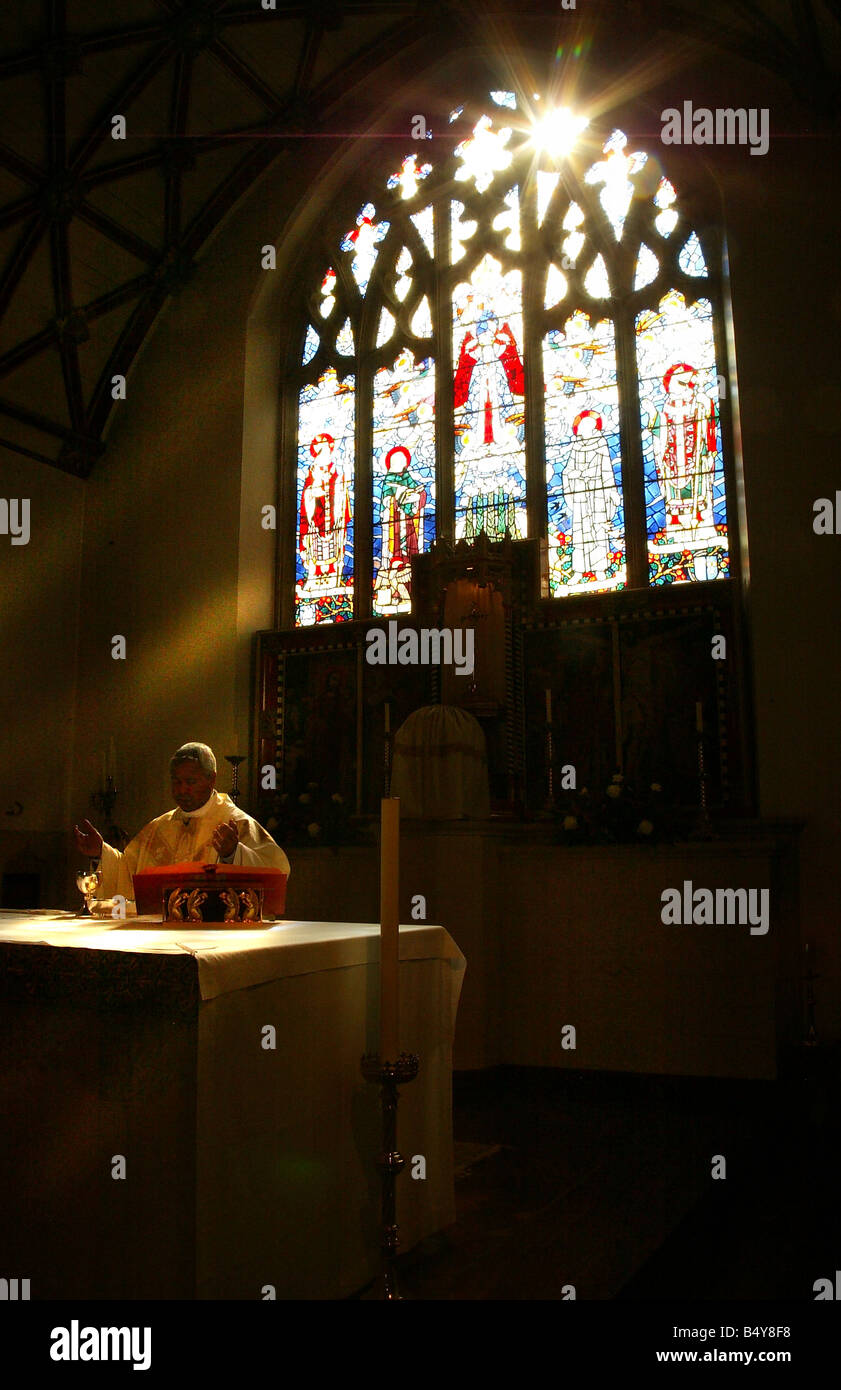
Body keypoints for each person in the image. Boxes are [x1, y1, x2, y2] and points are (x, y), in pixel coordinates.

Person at [74, 743, 290, 908]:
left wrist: (234, 854)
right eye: (176, 781)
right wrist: (100, 853)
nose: (181, 790)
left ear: (211, 780)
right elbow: (127, 874)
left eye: (190, 782)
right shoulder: (157, 828)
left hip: (214, 934)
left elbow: (277, 871)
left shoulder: (236, 822)